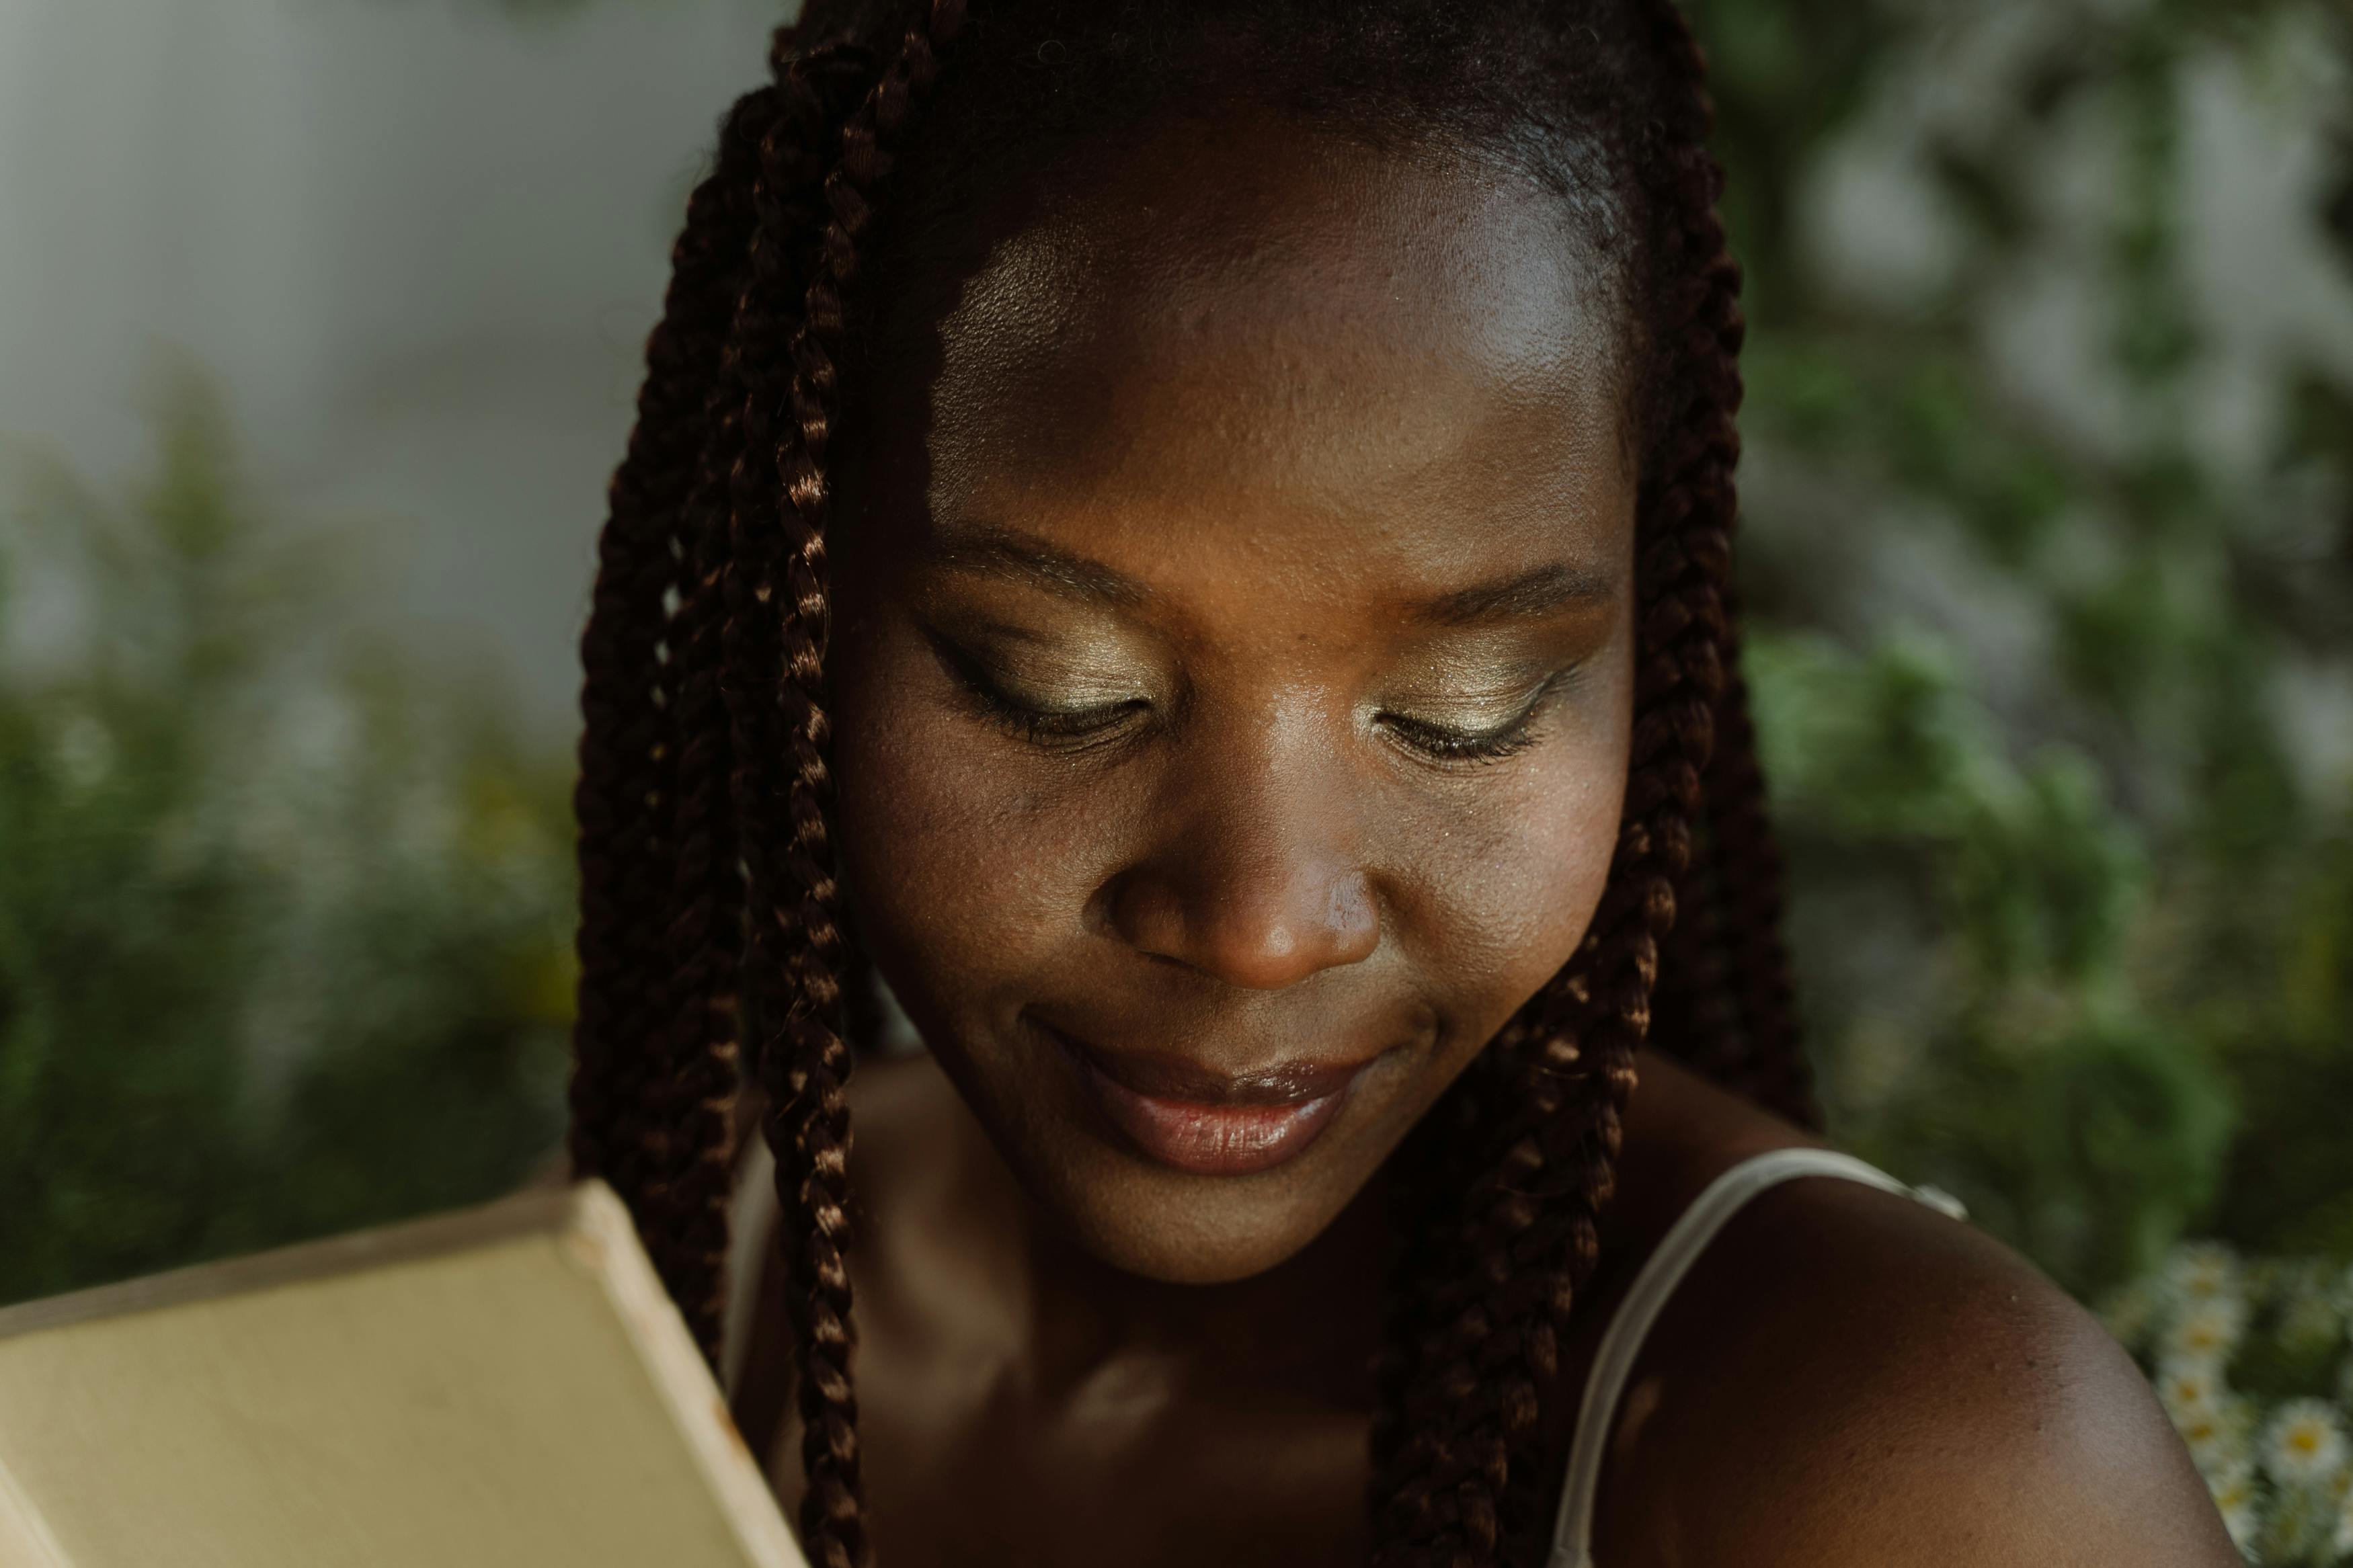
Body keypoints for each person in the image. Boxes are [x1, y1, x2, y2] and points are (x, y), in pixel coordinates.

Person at [564, 3, 2242, 1565]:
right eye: (1058, 690)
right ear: (795, 601)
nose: (1262, 924)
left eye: (1465, 711)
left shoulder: (1920, 1473)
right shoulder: (673, 1279)